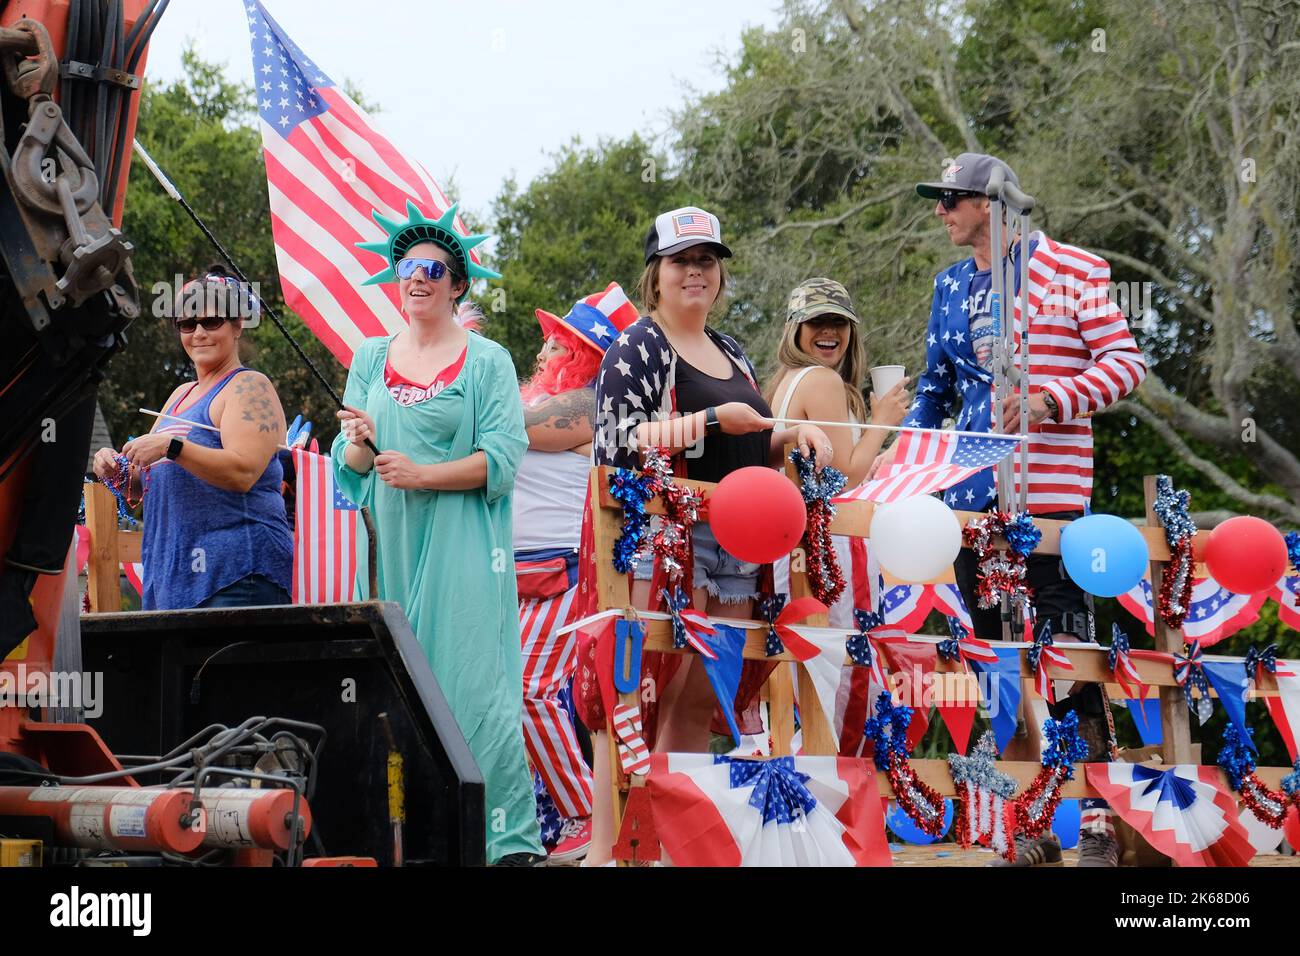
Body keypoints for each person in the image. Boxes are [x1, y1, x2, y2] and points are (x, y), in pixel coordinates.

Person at [909, 153, 1148, 866]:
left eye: (952, 198)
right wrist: (911, 466)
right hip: (970, 509)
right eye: (940, 199)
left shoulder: (1072, 269)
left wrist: (1051, 401)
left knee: (1071, 668)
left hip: (1048, 505)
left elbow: (1126, 361)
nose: (940, 210)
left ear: (994, 202)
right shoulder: (949, 284)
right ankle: (1029, 827)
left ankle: (1100, 824)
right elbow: (935, 387)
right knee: (999, 677)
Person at [579, 206, 832, 864]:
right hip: (660, 539)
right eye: (681, 261)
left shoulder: (733, 349)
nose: (697, 271)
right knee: (644, 691)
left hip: (737, 539)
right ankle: (628, 846)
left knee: (698, 690)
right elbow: (615, 443)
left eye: (708, 261)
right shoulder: (638, 346)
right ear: (655, 275)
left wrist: (790, 433)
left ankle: (670, 841)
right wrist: (712, 418)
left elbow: (754, 440)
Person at [335, 201, 543, 866]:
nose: (416, 277)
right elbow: (354, 470)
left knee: (476, 691)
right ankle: (419, 838)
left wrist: (424, 475)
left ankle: (504, 844)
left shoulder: (486, 361)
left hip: (465, 550)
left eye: (433, 268)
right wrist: (360, 443)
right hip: (393, 548)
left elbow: (503, 460)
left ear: (457, 285)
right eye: (406, 268)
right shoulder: (370, 357)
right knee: (401, 694)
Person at [514, 281, 638, 862]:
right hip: (518, 575)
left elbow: (506, 423)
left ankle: (587, 812)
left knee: (530, 694)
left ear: (587, 355)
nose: (544, 352)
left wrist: (448, 377)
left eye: (558, 344)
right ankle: (558, 819)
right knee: (515, 699)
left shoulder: (592, 405)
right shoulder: (551, 406)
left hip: (561, 571)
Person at [91, 264, 293, 611]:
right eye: (187, 324)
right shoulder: (181, 395)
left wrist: (172, 447)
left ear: (237, 325)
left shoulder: (249, 386)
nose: (198, 332)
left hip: (236, 576)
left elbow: (243, 472)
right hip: (174, 579)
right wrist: (115, 470)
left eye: (211, 321)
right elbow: (142, 485)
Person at [765, 277, 911, 752]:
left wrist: (877, 446)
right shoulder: (822, 380)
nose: (829, 332)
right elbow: (843, 480)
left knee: (799, 686)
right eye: (816, 322)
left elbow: (828, 468)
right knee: (845, 684)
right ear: (795, 329)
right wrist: (884, 419)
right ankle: (843, 802)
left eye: (839, 323)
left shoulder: (783, 384)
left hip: (789, 551)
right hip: (831, 555)